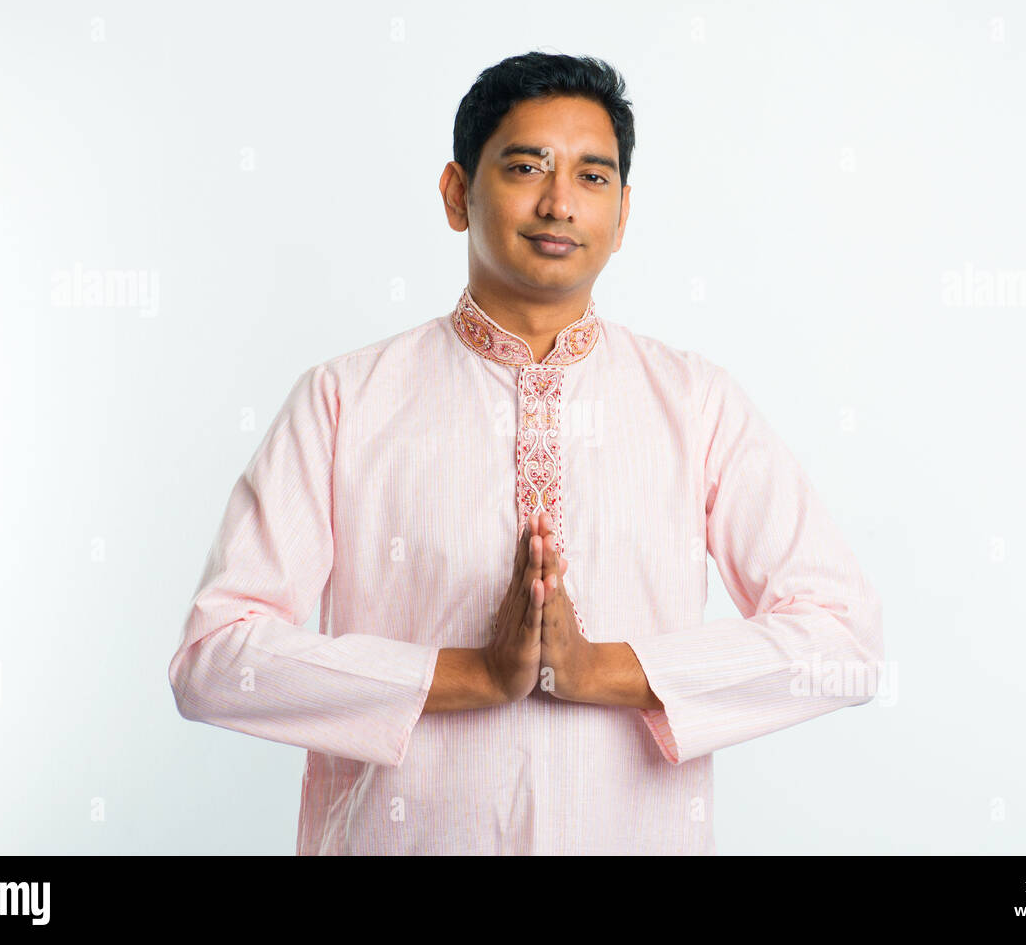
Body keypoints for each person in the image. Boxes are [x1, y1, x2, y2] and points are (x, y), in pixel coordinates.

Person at [167, 50, 884, 855]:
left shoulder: (695, 402)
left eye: (593, 177)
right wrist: (469, 675)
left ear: (622, 216)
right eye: (526, 166)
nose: (559, 203)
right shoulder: (345, 399)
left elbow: (844, 642)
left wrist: (601, 669)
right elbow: (214, 659)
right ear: (456, 193)